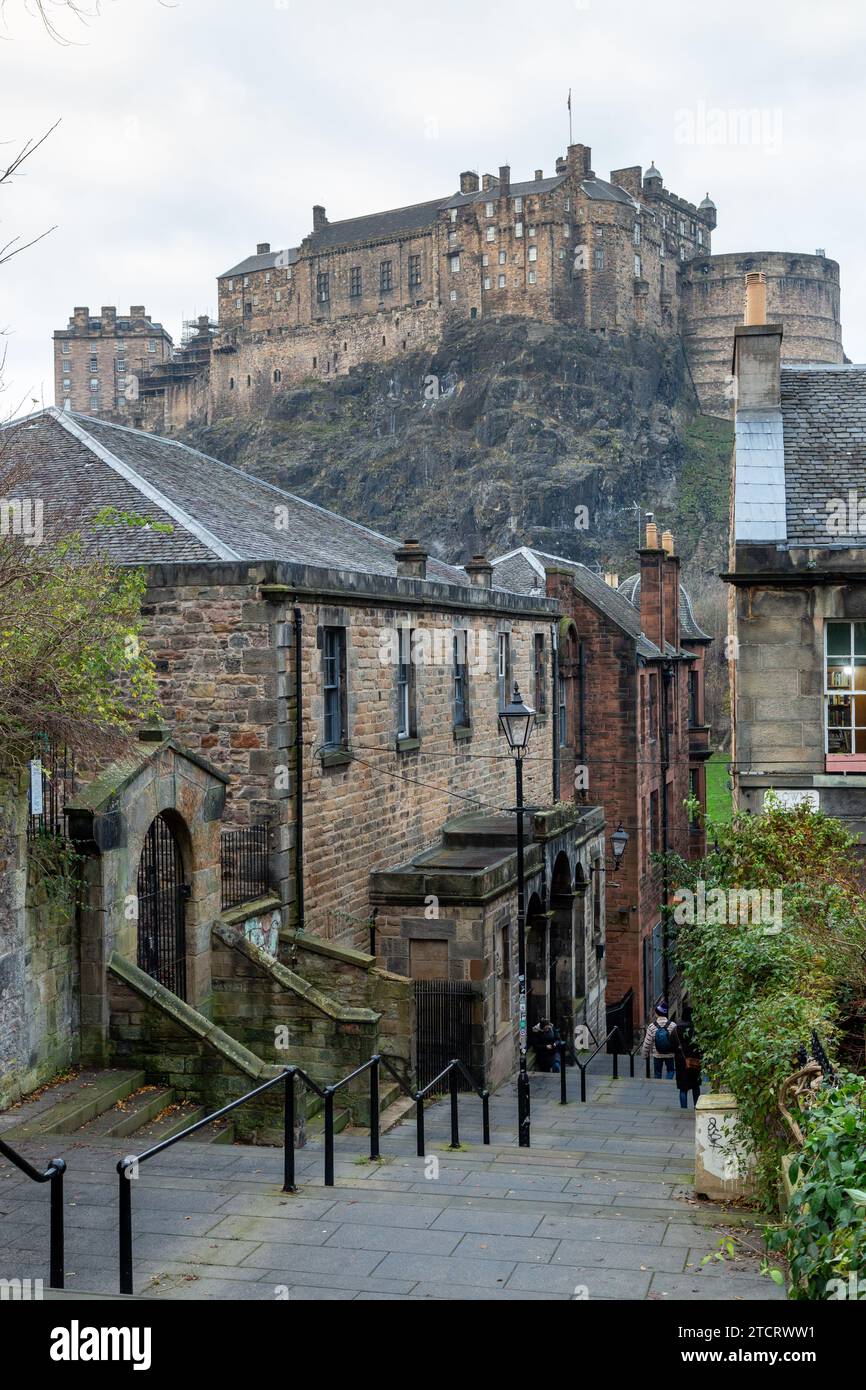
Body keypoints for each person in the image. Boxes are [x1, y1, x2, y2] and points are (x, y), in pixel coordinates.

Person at [641, 999, 677, 1079]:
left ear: (657, 1013)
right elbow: (676, 1041)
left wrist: (644, 1055)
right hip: (670, 1054)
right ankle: (668, 1084)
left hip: (657, 1054)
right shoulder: (673, 1025)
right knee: (671, 1070)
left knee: (657, 1072)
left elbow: (647, 1043)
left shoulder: (652, 1026)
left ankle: (658, 1084)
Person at [674, 1030, 702, 1109]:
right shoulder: (696, 1029)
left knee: (683, 1089)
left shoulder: (676, 1030)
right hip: (695, 1061)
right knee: (696, 1087)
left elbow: (671, 1046)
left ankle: (683, 1109)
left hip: (681, 1062)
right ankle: (697, 1106)